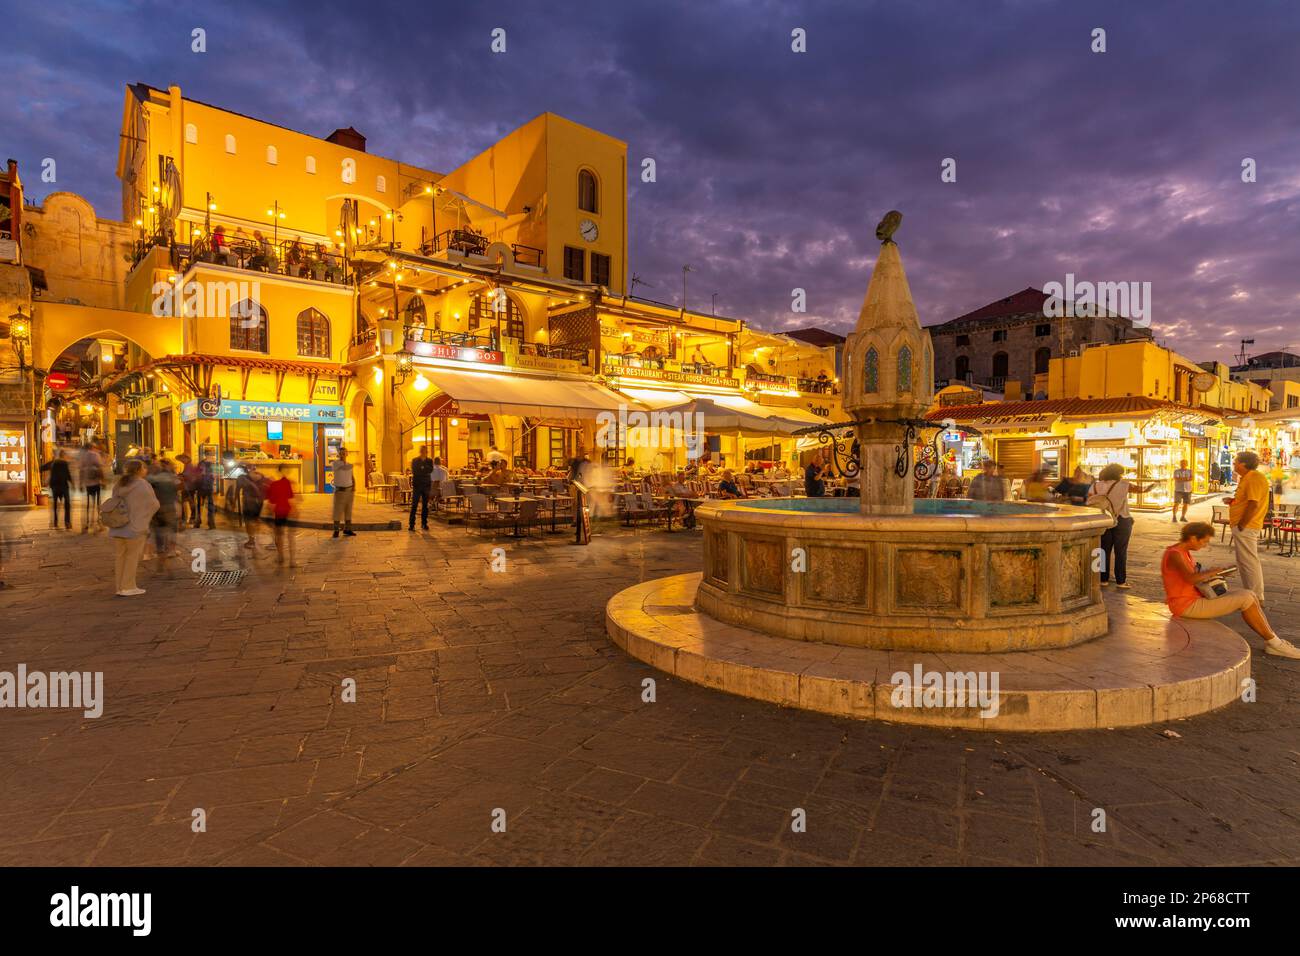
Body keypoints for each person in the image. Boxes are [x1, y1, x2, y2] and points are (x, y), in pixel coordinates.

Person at [1161, 522, 1300, 658]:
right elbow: (1190, 579)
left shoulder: (1183, 552)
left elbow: (1193, 578)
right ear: (1192, 538)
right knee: (1246, 598)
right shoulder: (1175, 554)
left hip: (1193, 600)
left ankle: (1273, 641)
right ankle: (1275, 644)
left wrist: (1218, 573)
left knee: (1250, 594)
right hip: (1185, 606)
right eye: (1204, 541)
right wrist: (1212, 572)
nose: (1205, 545)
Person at [1091, 463, 1155, 589]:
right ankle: (1121, 581)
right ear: (1118, 474)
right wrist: (1153, 485)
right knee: (1120, 551)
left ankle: (1102, 579)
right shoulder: (1123, 485)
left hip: (1103, 520)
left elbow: (1091, 501)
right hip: (1122, 519)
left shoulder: (1095, 486)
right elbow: (1142, 489)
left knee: (1102, 550)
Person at [107, 459, 159, 596]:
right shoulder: (143, 484)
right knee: (132, 557)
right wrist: (145, 517)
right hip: (135, 527)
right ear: (139, 470)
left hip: (118, 526)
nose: (146, 470)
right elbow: (154, 504)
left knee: (120, 558)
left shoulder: (119, 484)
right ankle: (129, 586)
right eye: (144, 468)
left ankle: (120, 587)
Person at [1228, 451, 1269, 607]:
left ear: (1243, 464)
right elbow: (1247, 500)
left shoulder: (1254, 477)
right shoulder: (1247, 478)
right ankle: (1251, 595)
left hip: (1247, 526)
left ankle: (1256, 596)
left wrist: (1242, 524)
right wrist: (1233, 501)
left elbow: (1253, 503)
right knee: (1244, 561)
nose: (1234, 464)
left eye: (1236, 461)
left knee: (1248, 561)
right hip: (1244, 526)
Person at [147, 458, 182, 568]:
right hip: (169, 506)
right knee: (172, 529)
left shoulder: (151, 478)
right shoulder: (172, 477)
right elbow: (180, 487)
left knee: (158, 531)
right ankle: (171, 550)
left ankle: (160, 553)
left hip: (156, 507)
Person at [265, 465, 297, 566]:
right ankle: (292, 561)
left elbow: (271, 503)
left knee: (279, 535)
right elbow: (291, 499)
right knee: (291, 536)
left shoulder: (273, 484)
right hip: (288, 511)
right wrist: (295, 511)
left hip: (278, 512)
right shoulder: (288, 482)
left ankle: (280, 556)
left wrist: (269, 514)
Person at [40, 450, 73, 529]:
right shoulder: (65, 463)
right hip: (63, 486)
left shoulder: (53, 462)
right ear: (63, 456)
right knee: (67, 504)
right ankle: (67, 522)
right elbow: (68, 474)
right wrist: (72, 483)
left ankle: (55, 522)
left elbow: (42, 468)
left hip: (55, 485)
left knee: (55, 504)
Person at [236, 464, 265, 551]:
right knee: (255, 519)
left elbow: (237, 490)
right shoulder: (261, 476)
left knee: (248, 521)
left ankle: (251, 541)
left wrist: (234, 501)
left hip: (249, 502)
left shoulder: (241, 477)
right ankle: (256, 536)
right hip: (259, 502)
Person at [78, 443, 106, 533]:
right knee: (98, 504)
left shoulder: (83, 456)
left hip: (87, 483)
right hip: (96, 482)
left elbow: (81, 470)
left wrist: (80, 483)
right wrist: (103, 480)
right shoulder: (95, 455)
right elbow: (100, 468)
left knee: (87, 505)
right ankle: (99, 523)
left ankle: (85, 525)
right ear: (92, 447)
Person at [331, 447, 356, 537]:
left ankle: (347, 529)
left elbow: (351, 476)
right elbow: (344, 468)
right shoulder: (335, 464)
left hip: (349, 490)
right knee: (337, 511)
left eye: (344, 453)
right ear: (339, 454)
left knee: (348, 511)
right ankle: (336, 530)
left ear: (347, 454)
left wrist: (354, 486)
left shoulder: (349, 465)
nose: (343, 455)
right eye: (341, 453)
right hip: (340, 491)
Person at [409, 444, 434, 531]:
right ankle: (411, 524)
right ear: (420, 451)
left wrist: (422, 467)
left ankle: (424, 523)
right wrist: (424, 469)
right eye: (422, 450)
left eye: (424, 450)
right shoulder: (415, 460)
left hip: (426, 485)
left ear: (426, 451)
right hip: (417, 485)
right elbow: (415, 471)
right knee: (414, 505)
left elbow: (430, 470)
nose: (423, 452)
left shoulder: (429, 461)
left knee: (425, 505)